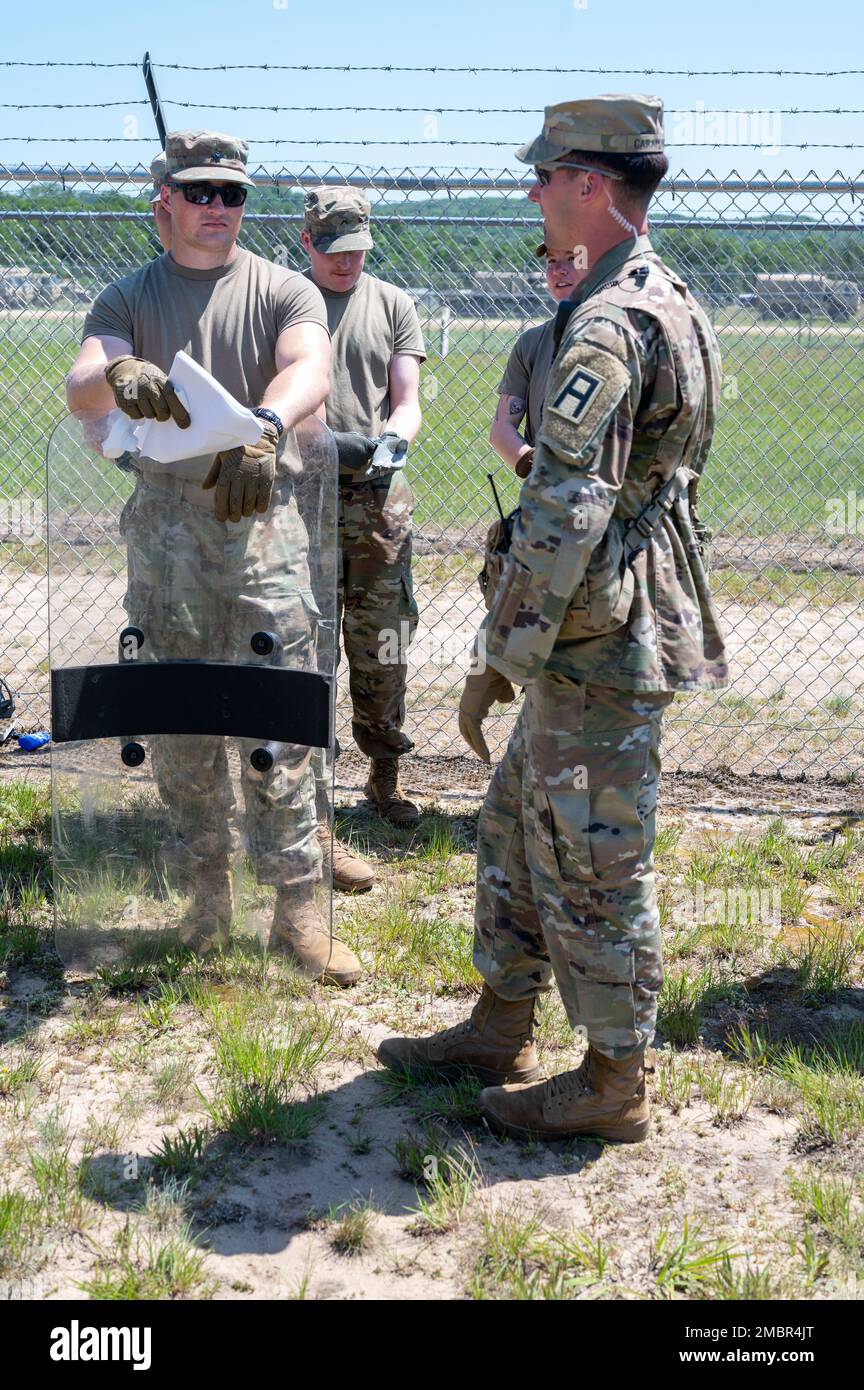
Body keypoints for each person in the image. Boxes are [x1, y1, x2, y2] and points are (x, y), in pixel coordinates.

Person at [378, 95, 729, 1141]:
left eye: (545, 177)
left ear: (592, 184)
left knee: (595, 855)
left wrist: (501, 652)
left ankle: (617, 1079)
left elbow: (568, 506)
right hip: (601, 623)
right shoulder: (670, 298)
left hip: (595, 633)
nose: (533, 194)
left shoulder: (610, 322)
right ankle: (501, 1020)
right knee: (514, 824)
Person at [65, 129, 361, 987]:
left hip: (262, 517)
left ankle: (300, 911)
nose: (217, 208)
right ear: (164, 201)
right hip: (166, 530)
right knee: (181, 713)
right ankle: (205, 896)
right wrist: (117, 376)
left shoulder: (281, 289)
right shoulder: (127, 296)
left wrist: (266, 429)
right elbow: (83, 379)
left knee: (277, 714)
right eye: (199, 192)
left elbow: (310, 364)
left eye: (231, 194)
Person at [300, 186, 426, 889]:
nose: (348, 264)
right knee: (305, 645)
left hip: (378, 503)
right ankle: (309, 795)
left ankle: (384, 774)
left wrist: (390, 443)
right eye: (334, 250)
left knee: (385, 642)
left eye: (358, 251)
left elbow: (405, 400)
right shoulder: (286, 302)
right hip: (303, 496)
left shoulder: (392, 304)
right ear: (307, 242)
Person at [489, 243, 585, 479]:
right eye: (551, 261)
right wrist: (540, 470)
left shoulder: (623, 336)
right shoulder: (531, 343)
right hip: (547, 497)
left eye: (572, 258)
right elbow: (502, 428)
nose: (558, 270)